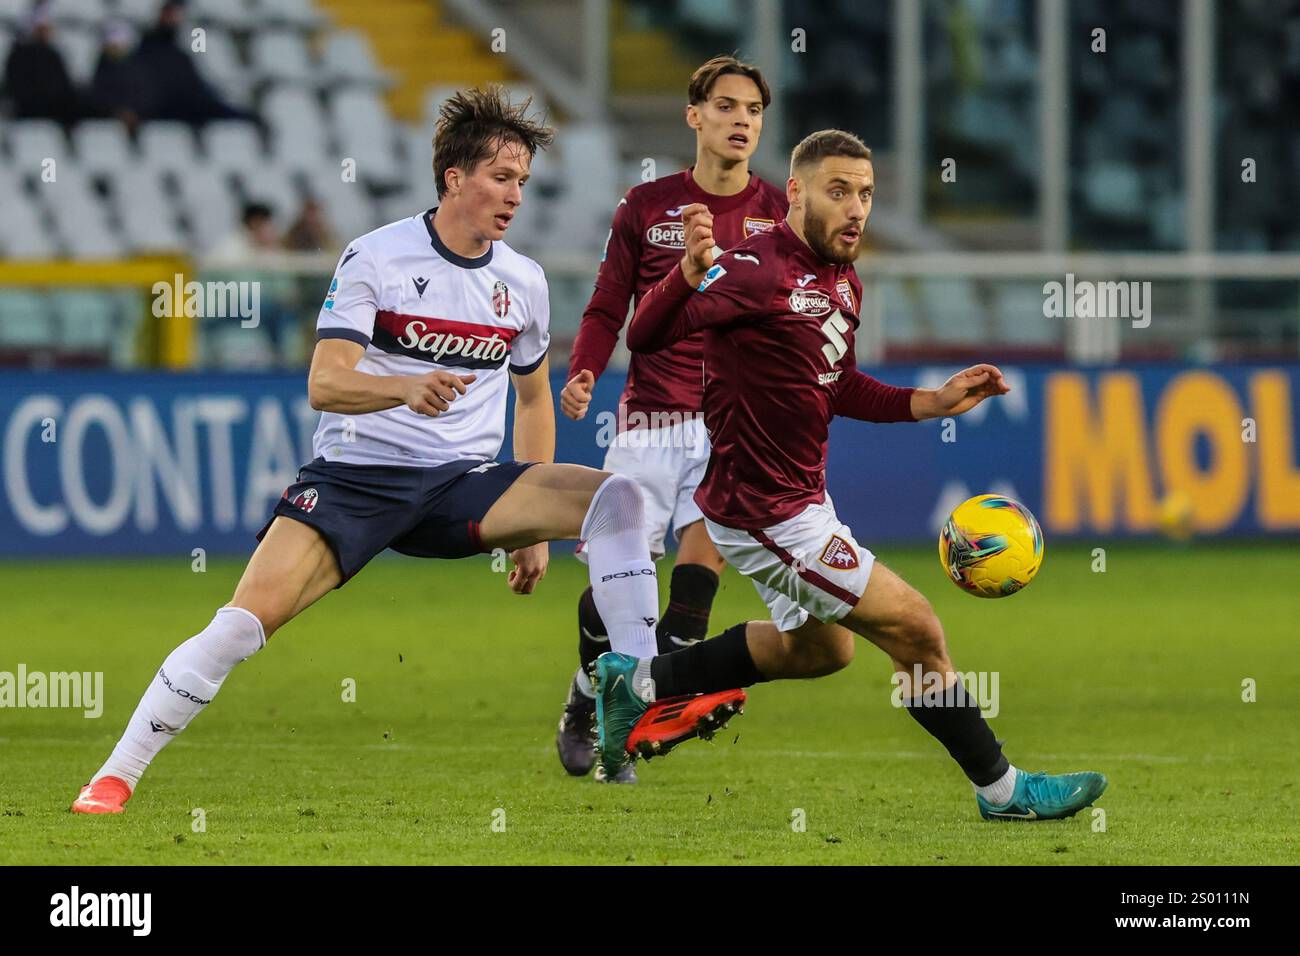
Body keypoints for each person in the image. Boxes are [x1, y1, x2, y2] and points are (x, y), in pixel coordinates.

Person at [70, 86, 739, 815]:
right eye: (500, 177)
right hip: (357, 479)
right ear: (455, 178)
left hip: (461, 484)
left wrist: (533, 536)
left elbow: (535, 397)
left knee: (619, 498)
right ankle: (116, 774)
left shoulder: (524, 282)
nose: (515, 194)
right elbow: (325, 383)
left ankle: (636, 688)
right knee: (239, 626)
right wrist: (405, 387)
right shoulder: (377, 256)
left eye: (522, 181)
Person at [592, 128, 1108, 821]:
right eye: (839, 191)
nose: (856, 208)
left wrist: (930, 402)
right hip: (763, 514)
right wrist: (682, 277)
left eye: (865, 193)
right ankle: (1004, 791)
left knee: (821, 649)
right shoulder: (752, 268)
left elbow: (835, 384)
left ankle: (639, 683)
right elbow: (645, 336)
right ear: (797, 193)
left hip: (801, 502)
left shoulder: (842, 279)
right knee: (917, 629)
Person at [554, 55, 787, 783]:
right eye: (725, 106)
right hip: (650, 426)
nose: (741, 120)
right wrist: (586, 367)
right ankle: (587, 693)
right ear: (694, 116)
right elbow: (606, 305)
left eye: (752, 109)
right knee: (621, 586)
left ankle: (635, 723)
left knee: (692, 596)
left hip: (728, 427)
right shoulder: (646, 205)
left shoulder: (777, 212)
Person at [2, 4, 80, 123]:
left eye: (45, 29)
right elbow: (15, 86)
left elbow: (64, 85)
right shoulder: (19, 55)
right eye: (40, 29)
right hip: (28, 108)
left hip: (53, 106)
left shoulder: (54, 54)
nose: (44, 32)